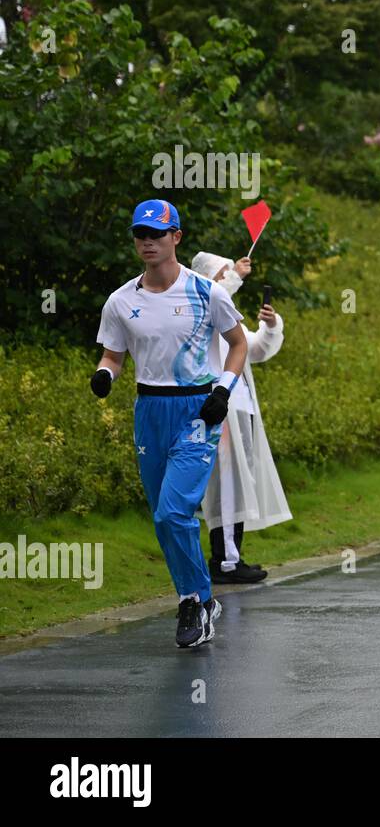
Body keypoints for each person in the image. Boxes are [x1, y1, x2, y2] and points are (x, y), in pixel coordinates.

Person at [91, 200, 246, 647]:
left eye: (157, 234)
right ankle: (198, 596)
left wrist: (223, 390)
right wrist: (105, 375)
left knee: (173, 510)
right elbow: (113, 355)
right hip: (150, 410)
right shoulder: (121, 301)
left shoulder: (207, 292)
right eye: (140, 234)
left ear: (176, 237)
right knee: (163, 520)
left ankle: (192, 603)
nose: (147, 242)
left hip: (198, 409)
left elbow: (237, 344)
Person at [191, 252, 292, 584]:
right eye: (222, 273)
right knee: (226, 488)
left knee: (237, 486)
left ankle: (229, 557)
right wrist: (236, 273)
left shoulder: (227, 320)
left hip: (240, 413)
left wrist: (271, 324)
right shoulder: (201, 314)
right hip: (222, 415)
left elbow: (258, 348)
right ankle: (225, 561)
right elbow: (212, 294)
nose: (227, 278)